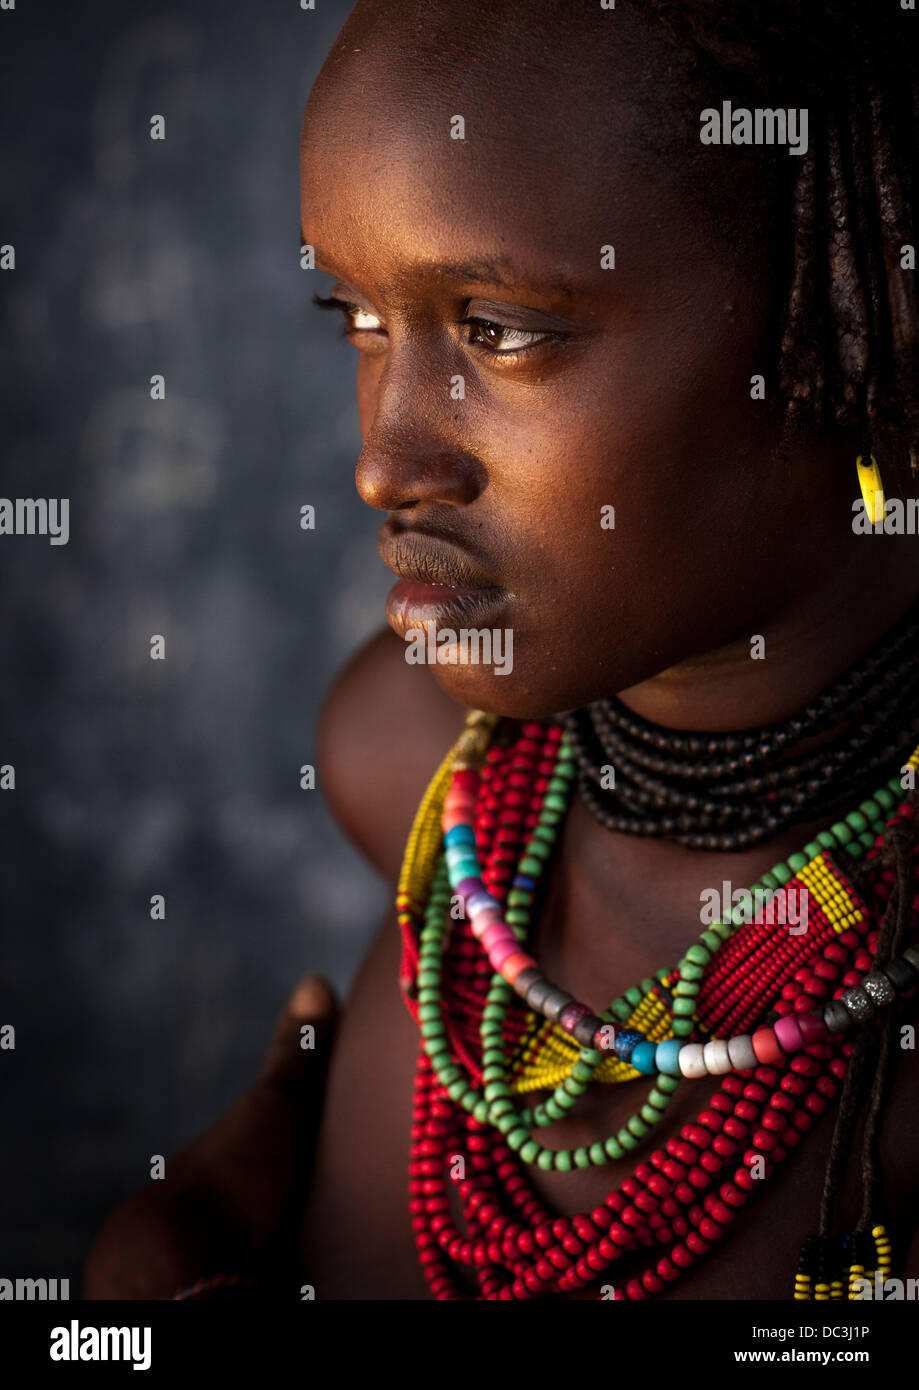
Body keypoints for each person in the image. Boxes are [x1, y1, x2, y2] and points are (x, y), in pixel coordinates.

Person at [85, 0, 919, 1300]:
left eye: (503, 328)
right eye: (355, 315)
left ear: (853, 303)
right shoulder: (398, 757)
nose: (383, 464)